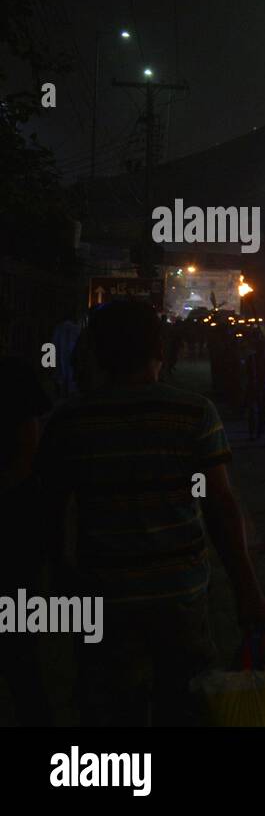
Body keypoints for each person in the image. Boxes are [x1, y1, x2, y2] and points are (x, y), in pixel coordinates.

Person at [37, 300, 265, 726]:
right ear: (159, 349)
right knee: (185, 704)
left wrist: (59, 576)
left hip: (102, 601)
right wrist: (247, 589)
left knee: (111, 710)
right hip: (179, 598)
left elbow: (50, 511)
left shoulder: (69, 421)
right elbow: (220, 507)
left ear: (98, 352)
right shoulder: (194, 413)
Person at [0, 310, 55, 725]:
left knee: (19, 647)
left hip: (14, 527)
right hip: (19, 520)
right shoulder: (17, 372)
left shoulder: (13, 374)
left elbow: (27, 446)